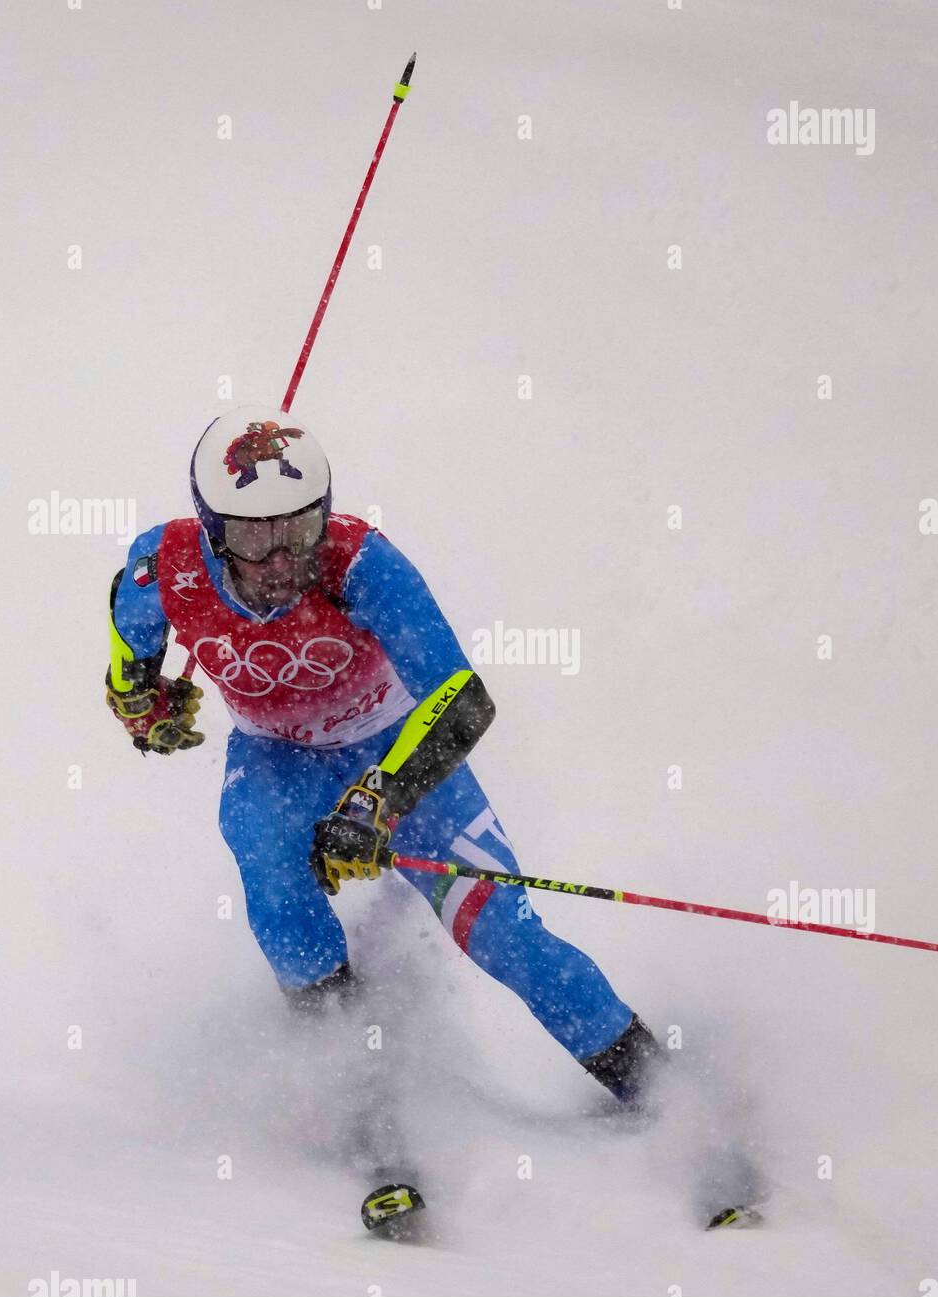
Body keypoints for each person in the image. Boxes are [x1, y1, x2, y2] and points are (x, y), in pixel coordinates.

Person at [105, 407, 662, 1104]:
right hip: (277, 760)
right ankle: (347, 1085)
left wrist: (380, 798)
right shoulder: (164, 567)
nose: (279, 560)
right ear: (213, 529)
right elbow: (131, 651)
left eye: (299, 529)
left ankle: (667, 1096)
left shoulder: (362, 562)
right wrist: (138, 702)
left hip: (399, 749)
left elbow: (462, 698)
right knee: (275, 885)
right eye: (252, 536)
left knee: (505, 937)